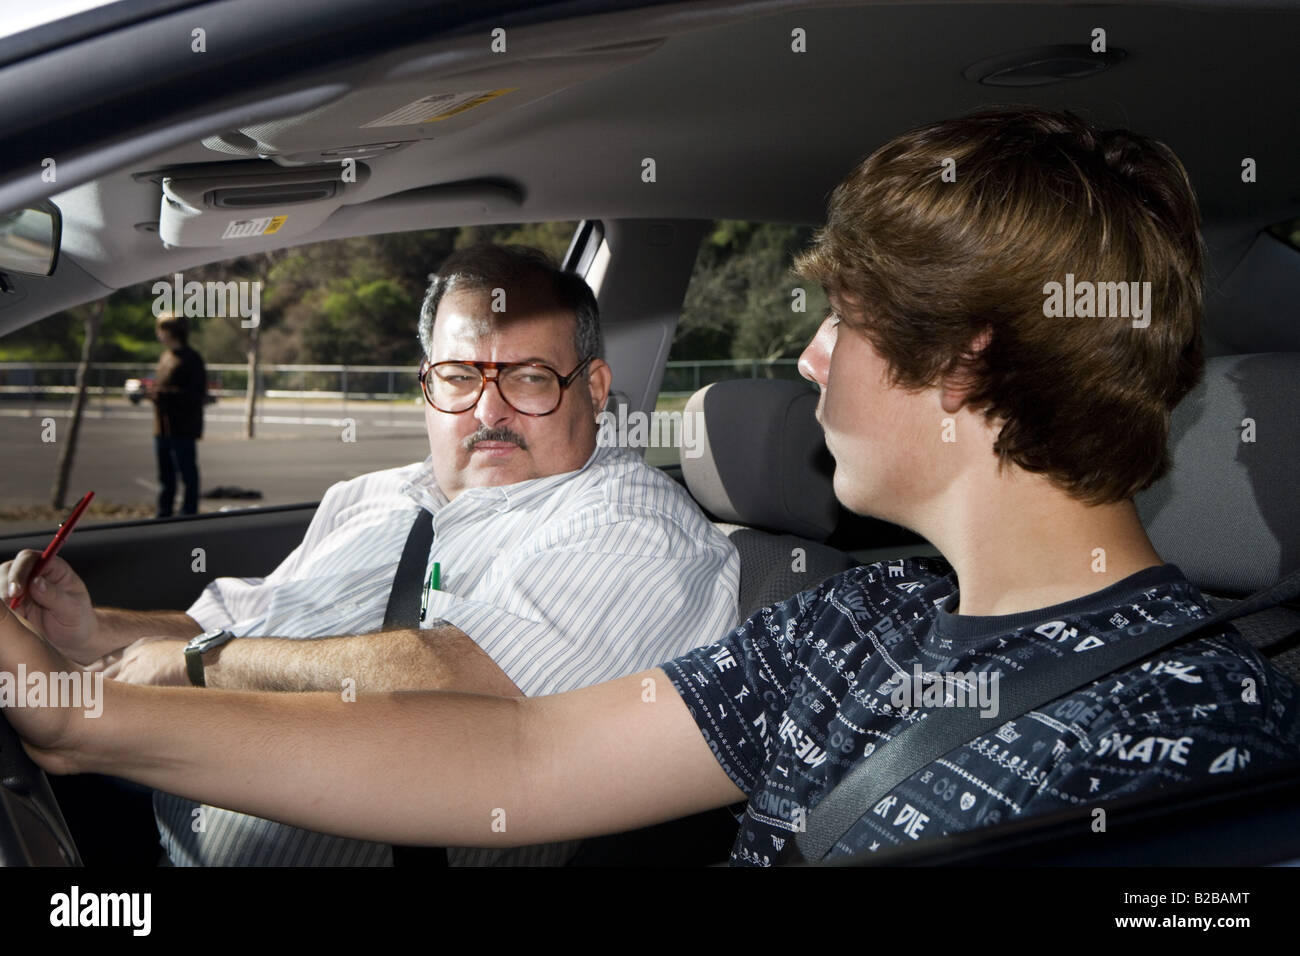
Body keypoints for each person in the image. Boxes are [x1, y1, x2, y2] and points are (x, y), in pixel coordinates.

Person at [4, 107, 1298, 867]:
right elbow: (519, 751)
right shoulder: (869, 621)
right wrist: (87, 720)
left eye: (840, 321)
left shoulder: (1218, 746)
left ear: (962, 365)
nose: (804, 358)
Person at [2, 243, 739, 866]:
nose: (488, 412)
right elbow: (241, 622)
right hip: (163, 825)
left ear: (597, 390)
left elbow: (474, 683)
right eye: (458, 377)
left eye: (528, 378)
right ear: (426, 386)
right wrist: (98, 631)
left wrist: (202, 664)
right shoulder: (374, 496)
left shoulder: (632, 525)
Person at [150, 313, 206, 517]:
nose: (158, 334)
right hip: (162, 428)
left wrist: (162, 394)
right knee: (165, 476)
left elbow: (195, 394)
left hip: (182, 428)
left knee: (187, 474)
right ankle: (164, 513)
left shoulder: (192, 359)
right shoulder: (166, 357)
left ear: (172, 332)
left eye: (161, 329)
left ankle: (188, 513)